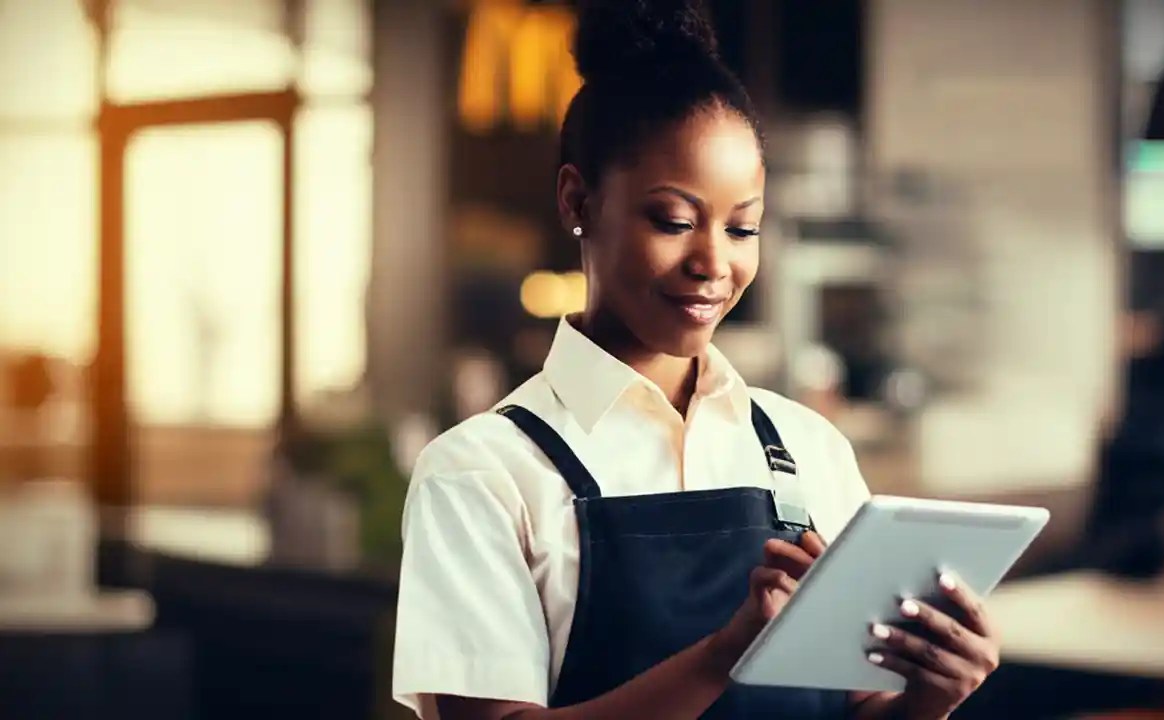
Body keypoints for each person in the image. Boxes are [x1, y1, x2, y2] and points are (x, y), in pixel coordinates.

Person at [392, 2, 1001, 718]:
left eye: (743, 226)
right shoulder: (482, 473)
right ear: (576, 199)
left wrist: (930, 694)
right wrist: (724, 655)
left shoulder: (811, 451)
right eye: (674, 221)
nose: (715, 261)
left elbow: (860, 706)